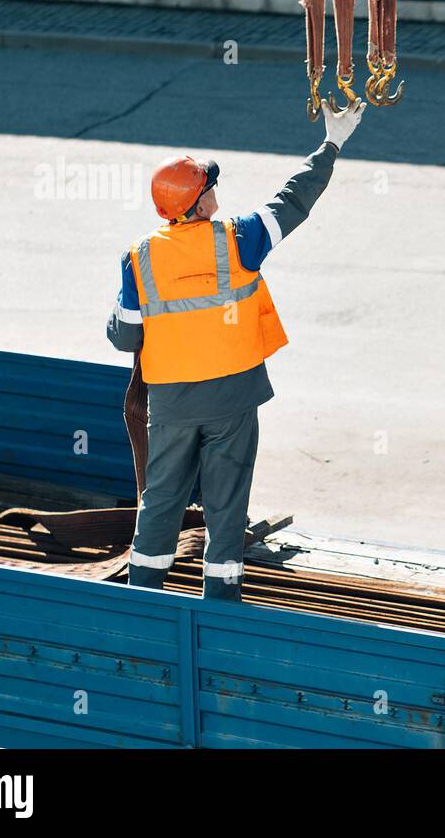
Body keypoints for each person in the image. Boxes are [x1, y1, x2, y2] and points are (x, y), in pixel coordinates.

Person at [105, 101, 365, 600]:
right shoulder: (240, 238)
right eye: (210, 186)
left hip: (173, 402)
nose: (216, 191)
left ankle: (142, 600)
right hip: (232, 399)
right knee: (226, 504)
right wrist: (331, 144)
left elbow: (125, 337)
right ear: (198, 202)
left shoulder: (138, 258)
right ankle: (221, 607)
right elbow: (293, 202)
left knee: (160, 501)